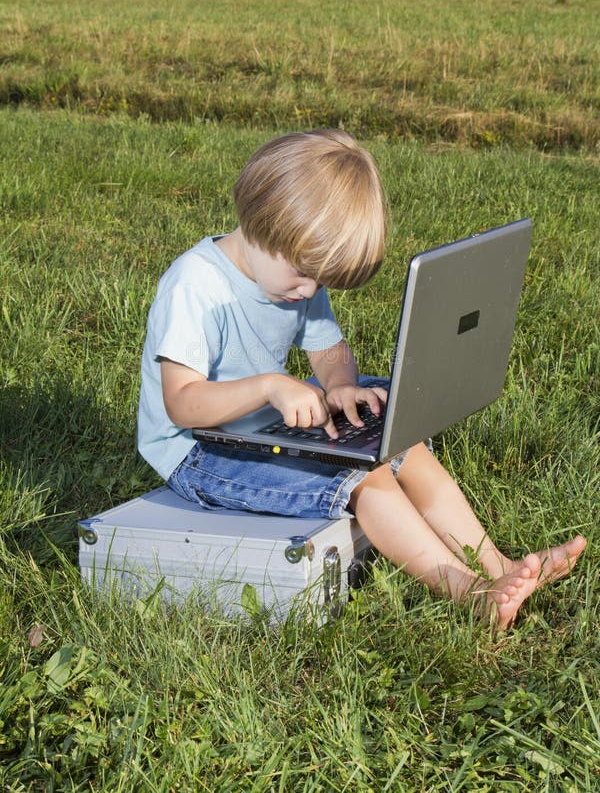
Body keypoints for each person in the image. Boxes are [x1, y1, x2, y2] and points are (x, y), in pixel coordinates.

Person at [138, 129, 586, 630]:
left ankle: (497, 564)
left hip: (261, 422)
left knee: (396, 437)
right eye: (303, 276)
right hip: (198, 452)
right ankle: (472, 594)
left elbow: (328, 349)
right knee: (363, 476)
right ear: (262, 222)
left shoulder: (292, 271)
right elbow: (181, 403)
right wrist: (270, 385)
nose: (309, 290)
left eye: (320, 281)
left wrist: (339, 384)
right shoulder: (194, 286)